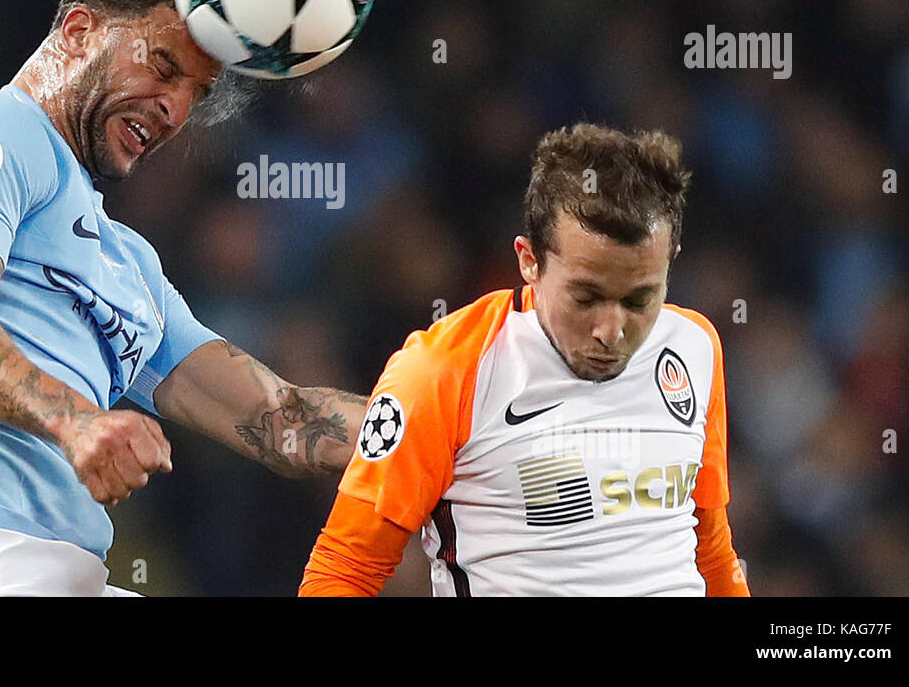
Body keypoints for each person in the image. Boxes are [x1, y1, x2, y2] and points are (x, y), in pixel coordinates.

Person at [0, 0, 366, 596]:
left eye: (195, 92)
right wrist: (77, 420)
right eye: (164, 67)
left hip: (50, 571)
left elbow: (283, 422)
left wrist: (440, 429)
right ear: (80, 31)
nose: (176, 109)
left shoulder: (129, 263)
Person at [299, 123, 750, 596]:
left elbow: (712, 553)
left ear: (669, 262)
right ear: (529, 260)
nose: (611, 330)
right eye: (586, 297)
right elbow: (343, 571)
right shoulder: (445, 371)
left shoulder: (694, 346)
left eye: (640, 300)